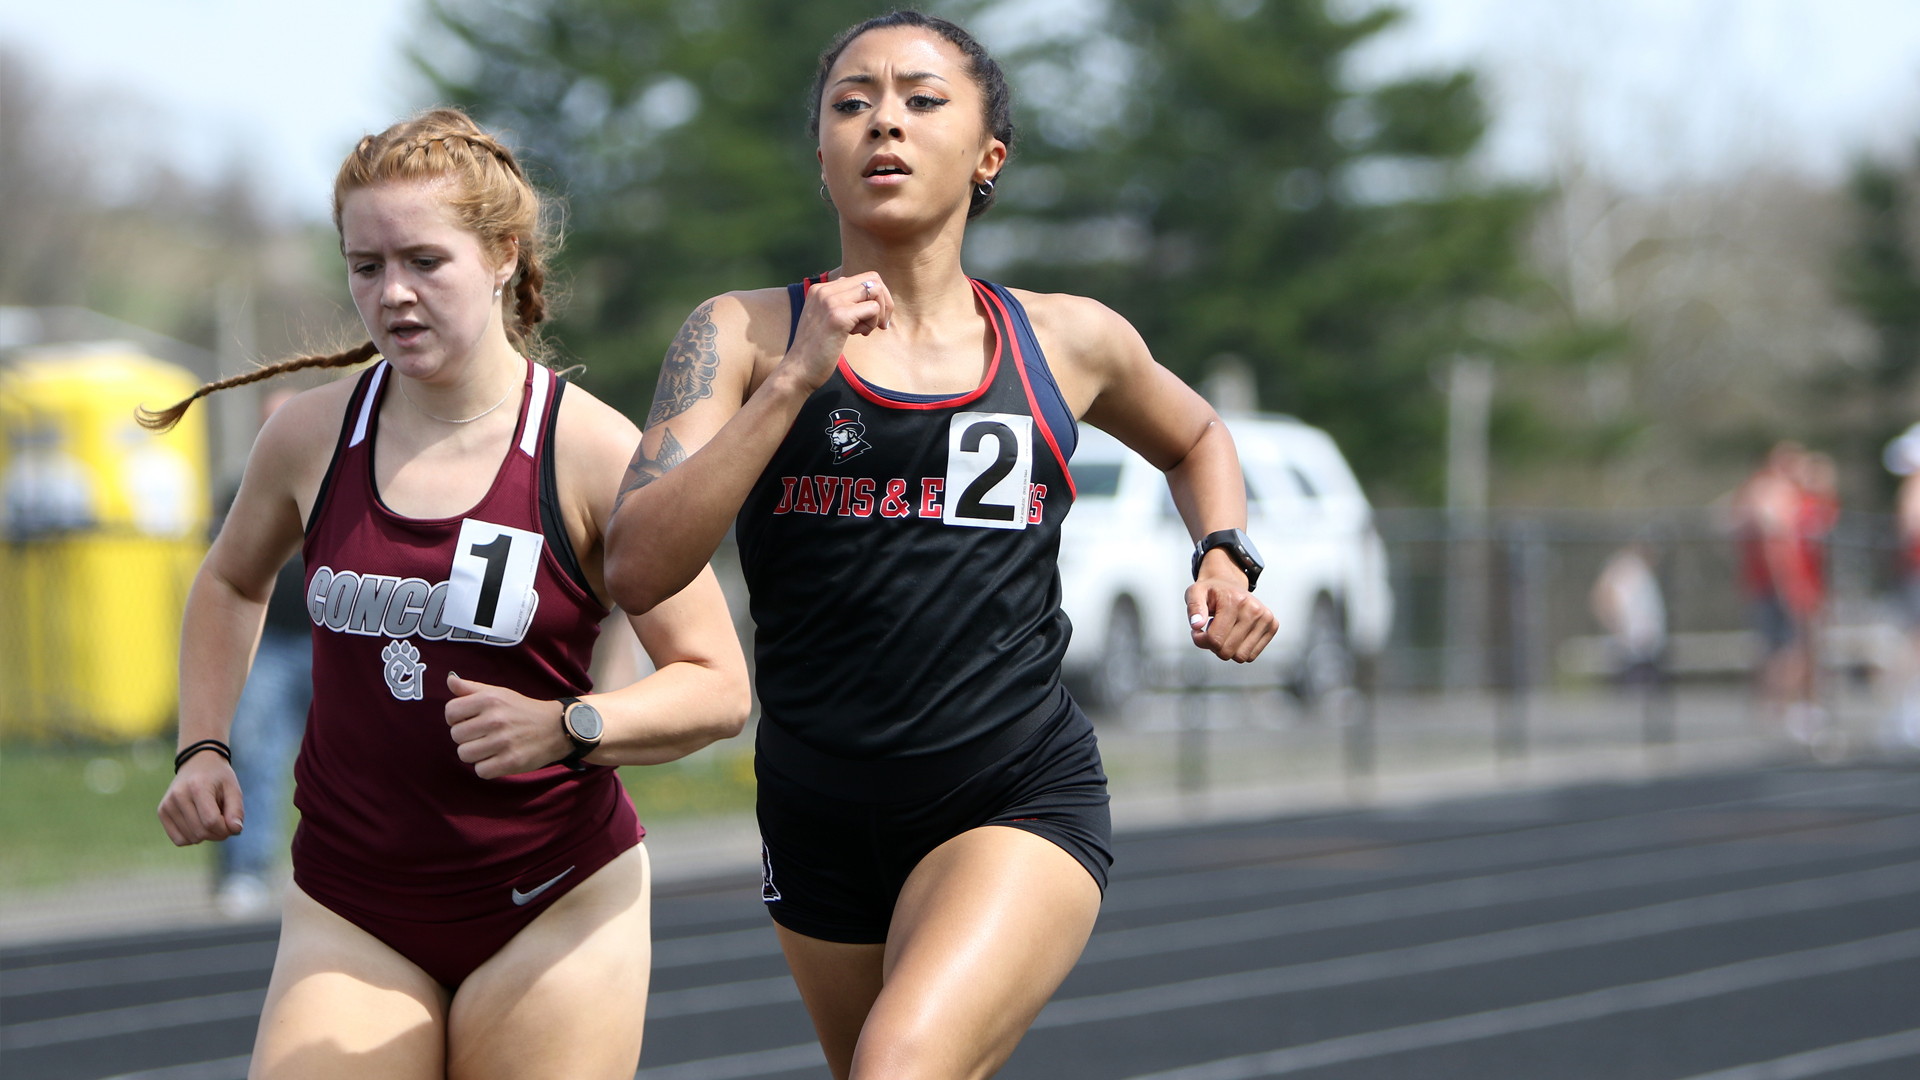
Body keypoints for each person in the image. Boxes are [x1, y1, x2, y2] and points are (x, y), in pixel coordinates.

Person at [601, 13, 1278, 1079]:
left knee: (900, 1066)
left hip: (1009, 791)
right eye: (852, 101)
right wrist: (791, 384)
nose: (885, 122)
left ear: (987, 156)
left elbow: (1196, 435)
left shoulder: (1067, 338)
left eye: (922, 100)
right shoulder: (738, 335)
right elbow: (637, 566)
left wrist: (1224, 553)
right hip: (817, 807)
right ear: (821, 155)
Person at [146, 109, 750, 1080]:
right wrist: (204, 742)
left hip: (551, 904)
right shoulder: (309, 436)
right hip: (354, 904)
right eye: (366, 265)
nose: (393, 294)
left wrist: (572, 726)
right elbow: (228, 579)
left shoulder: (592, 453)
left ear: (504, 255)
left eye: (425, 261)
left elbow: (717, 683)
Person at [212, 388, 312, 919]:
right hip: (267, 644)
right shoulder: (240, 492)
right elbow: (227, 576)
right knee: (254, 751)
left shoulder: (336, 478)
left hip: (333, 641)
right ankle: (246, 870)